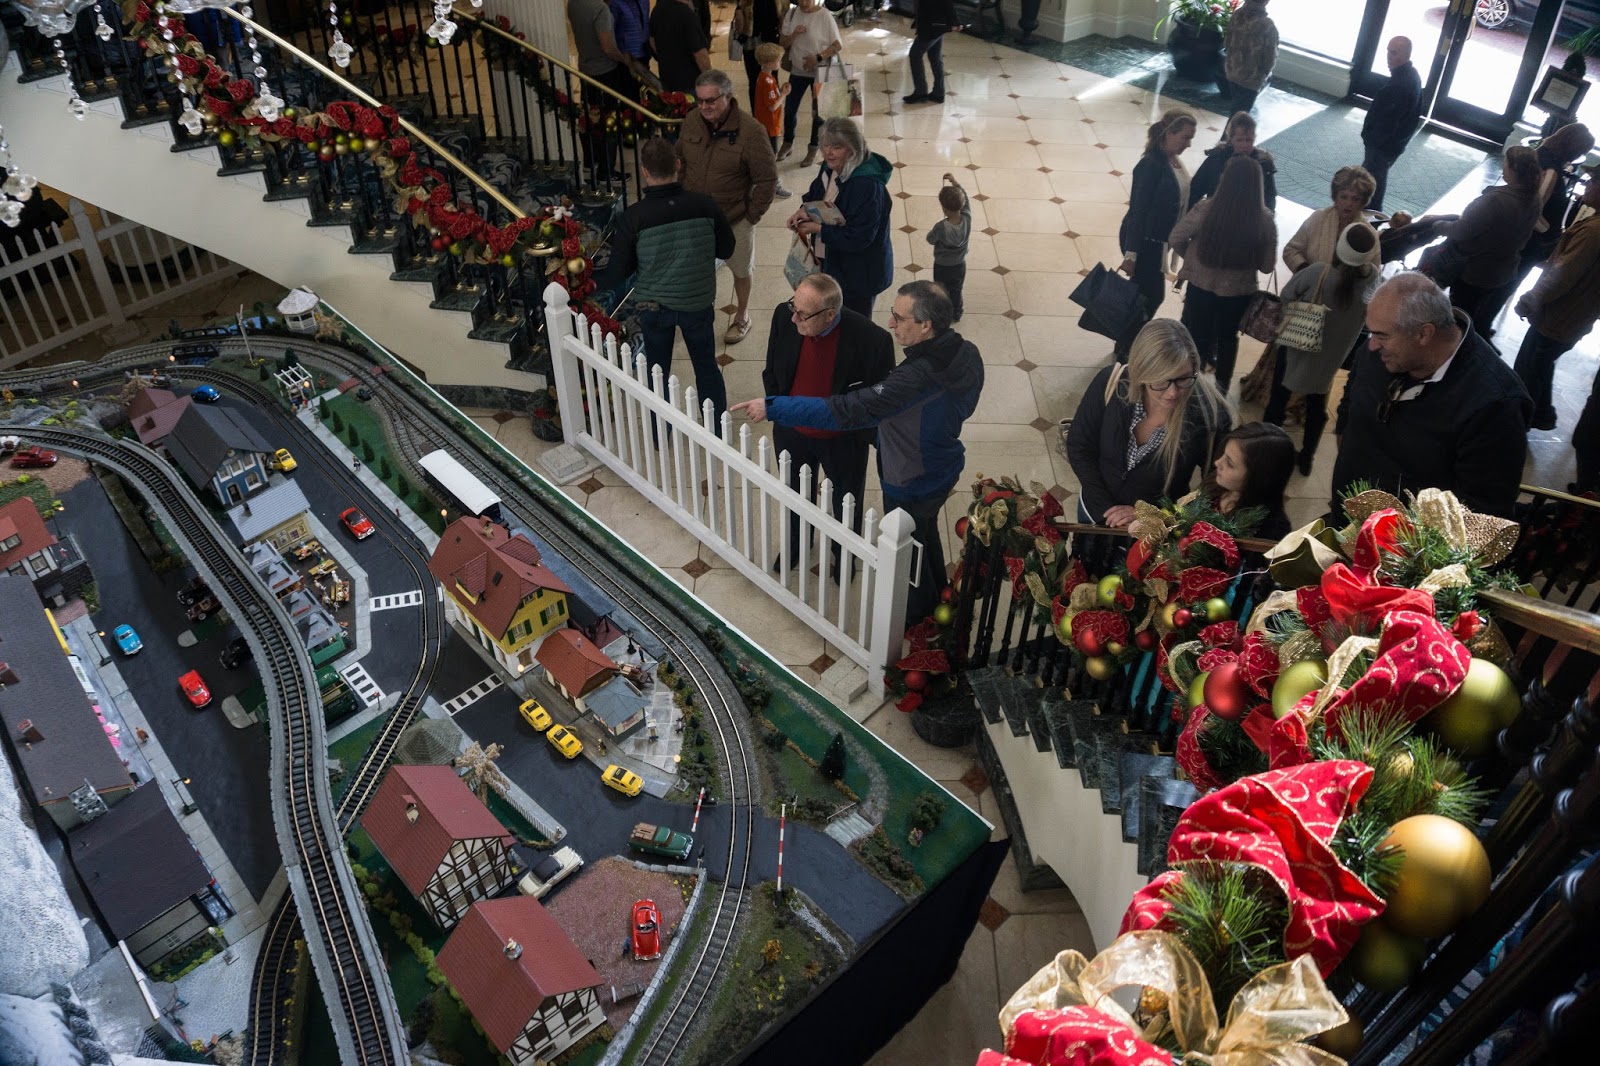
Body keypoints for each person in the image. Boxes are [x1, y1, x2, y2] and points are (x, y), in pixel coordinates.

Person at [732, 281, 983, 622]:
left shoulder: (904, 372)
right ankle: (940, 594)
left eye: (898, 316)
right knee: (924, 537)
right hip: (941, 463)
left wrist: (774, 407)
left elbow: (852, 408)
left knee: (908, 552)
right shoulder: (967, 353)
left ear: (925, 325)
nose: (891, 322)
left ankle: (919, 621)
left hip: (910, 475)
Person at [1330, 272, 1532, 519]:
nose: (1371, 345)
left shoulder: (1496, 405)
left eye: (1382, 336)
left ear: (1424, 334)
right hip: (1345, 513)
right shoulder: (1378, 352)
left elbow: (1481, 515)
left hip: (1402, 549)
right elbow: (1348, 409)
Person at [760, 273, 895, 568]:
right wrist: (780, 409)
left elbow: (878, 402)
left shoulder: (872, 340)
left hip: (842, 441)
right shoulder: (785, 317)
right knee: (794, 496)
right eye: (793, 306)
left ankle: (843, 556)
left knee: (847, 502)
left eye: (803, 314)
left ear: (830, 314)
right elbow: (771, 368)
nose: (794, 318)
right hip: (792, 433)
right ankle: (796, 546)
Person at [598, 136, 736, 423]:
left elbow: (618, 272)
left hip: (653, 306)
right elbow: (727, 249)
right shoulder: (705, 205)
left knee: (657, 370)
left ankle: (660, 432)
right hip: (696, 301)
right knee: (706, 366)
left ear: (644, 171)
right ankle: (717, 430)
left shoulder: (634, 217)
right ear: (677, 165)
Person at [1065, 319, 1234, 529]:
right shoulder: (1111, 383)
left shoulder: (1211, 416)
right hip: (1094, 511)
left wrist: (1154, 516)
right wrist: (1107, 513)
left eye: (1183, 379)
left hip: (1158, 530)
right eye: (1162, 381)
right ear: (1141, 373)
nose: (1173, 393)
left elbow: (1215, 486)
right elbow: (1079, 445)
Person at [1264, 222, 1382, 476]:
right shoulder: (1373, 277)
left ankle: (1264, 447)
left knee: (1279, 396)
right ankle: (1306, 457)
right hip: (1334, 352)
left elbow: (1286, 295)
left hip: (1298, 343)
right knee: (1317, 403)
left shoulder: (1319, 272)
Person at [677, 69, 780, 346]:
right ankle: (697, 315)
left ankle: (742, 315)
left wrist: (751, 215)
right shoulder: (691, 121)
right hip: (697, 218)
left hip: (735, 218)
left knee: (741, 269)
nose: (705, 107)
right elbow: (681, 160)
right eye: (700, 101)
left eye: (711, 101)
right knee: (697, 268)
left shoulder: (752, 132)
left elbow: (768, 179)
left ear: (728, 96)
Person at [1168, 154, 1277, 395]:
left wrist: (1194, 260)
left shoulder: (1206, 209)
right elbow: (1268, 266)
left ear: (1224, 180)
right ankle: (1221, 391)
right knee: (1228, 339)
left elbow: (1176, 237)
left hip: (1200, 285)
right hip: (1238, 293)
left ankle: (1188, 389)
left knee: (1195, 337)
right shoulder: (1264, 219)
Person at [1476, 123, 1596, 336]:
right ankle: (1480, 328)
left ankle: (1479, 325)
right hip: (1530, 242)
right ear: (1572, 148)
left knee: (1499, 282)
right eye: (1581, 151)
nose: (1581, 155)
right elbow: (1532, 209)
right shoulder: (1550, 170)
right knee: (1507, 285)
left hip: (1515, 237)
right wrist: (1551, 232)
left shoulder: (1538, 155)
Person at [1513, 165, 1600, 431]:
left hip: (1558, 317)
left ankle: (1515, 424)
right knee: (1540, 365)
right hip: (1574, 318)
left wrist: (1529, 300)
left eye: (1593, 180)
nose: (1586, 183)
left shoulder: (1594, 232)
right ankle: (1542, 415)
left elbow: (1563, 275)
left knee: (1527, 370)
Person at [1427, 146, 1542, 338]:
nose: (1503, 167)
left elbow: (1461, 230)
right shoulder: (1534, 197)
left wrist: (1437, 225)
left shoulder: (1496, 201)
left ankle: (1452, 348)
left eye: (1505, 163)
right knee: (1473, 311)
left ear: (1513, 169)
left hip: (1475, 271)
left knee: (1459, 314)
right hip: (1502, 271)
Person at [789, 118, 894, 317]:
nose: (828, 152)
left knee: (854, 324)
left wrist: (818, 229)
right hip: (833, 260)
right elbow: (816, 194)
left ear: (853, 149)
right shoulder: (829, 167)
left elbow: (860, 237)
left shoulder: (867, 186)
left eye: (836, 147)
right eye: (825, 145)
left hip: (859, 273)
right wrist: (803, 211)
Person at [1118, 109, 1198, 329]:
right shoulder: (1150, 166)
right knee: (1150, 298)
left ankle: (1126, 345)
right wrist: (1131, 254)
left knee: (1144, 297)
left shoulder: (1174, 161)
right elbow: (1138, 211)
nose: (1189, 144)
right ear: (1169, 133)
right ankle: (1127, 346)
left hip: (1159, 244)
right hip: (1146, 244)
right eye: (1186, 137)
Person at [568, 0, 635, 183]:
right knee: (609, 121)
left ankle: (590, 162)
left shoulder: (574, 3)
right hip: (605, 73)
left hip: (586, 69)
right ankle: (607, 171)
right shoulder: (600, 9)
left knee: (590, 117)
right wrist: (625, 60)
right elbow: (608, 47)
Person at [1200, 422, 1295, 540]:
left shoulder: (1267, 535)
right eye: (1224, 454)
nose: (1217, 463)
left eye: (1230, 464)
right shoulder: (1216, 483)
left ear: (1257, 478)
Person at [1361, 36, 1423, 213]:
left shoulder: (1400, 85)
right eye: (1388, 51)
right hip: (1393, 144)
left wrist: (1370, 138)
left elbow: (1388, 122)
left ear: (1406, 55)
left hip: (1382, 146)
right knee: (1369, 181)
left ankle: (1370, 223)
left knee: (1371, 187)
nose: (1389, 56)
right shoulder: (1412, 76)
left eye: (1394, 53)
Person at [778, 0, 843, 168]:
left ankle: (813, 147)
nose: (804, 2)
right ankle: (788, 143)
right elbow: (782, 43)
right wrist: (794, 35)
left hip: (820, 70)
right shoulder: (792, 14)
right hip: (798, 70)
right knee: (790, 108)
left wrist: (818, 58)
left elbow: (837, 45)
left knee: (818, 113)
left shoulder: (825, 16)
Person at [1283, 165, 1382, 273]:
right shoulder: (1318, 217)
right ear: (1335, 196)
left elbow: (1373, 276)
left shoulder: (1369, 234)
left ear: (1363, 202)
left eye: (1355, 199)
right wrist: (1305, 273)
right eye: (1344, 197)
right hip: (1307, 287)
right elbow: (1291, 251)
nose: (1349, 203)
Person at [1188, 111, 1277, 212]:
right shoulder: (1217, 159)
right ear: (1231, 139)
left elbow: (1269, 201)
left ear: (1254, 138)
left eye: (1249, 140)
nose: (1244, 145)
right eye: (1240, 140)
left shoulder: (1263, 165)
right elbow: (1195, 190)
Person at [926, 173, 970, 322]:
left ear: (944, 209)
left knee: (941, 290)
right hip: (959, 264)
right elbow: (965, 196)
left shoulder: (941, 227)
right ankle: (956, 313)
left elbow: (930, 240)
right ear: (962, 204)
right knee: (956, 290)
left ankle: (941, 314)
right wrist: (954, 181)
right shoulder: (967, 217)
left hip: (942, 265)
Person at [1223, 0, 1278, 117]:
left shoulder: (1237, 15)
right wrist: (1264, 73)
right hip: (1252, 78)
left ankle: (1228, 134)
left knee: (1235, 111)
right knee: (1239, 117)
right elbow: (1270, 58)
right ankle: (1229, 135)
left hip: (1232, 70)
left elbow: (1227, 43)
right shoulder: (1267, 25)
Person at [649, 0, 710, 94]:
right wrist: (711, 81)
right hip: (690, 83)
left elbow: (652, 40)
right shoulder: (687, 15)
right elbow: (700, 55)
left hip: (667, 79)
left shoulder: (657, 9)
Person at [751, 43, 791, 184]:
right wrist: (784, 94)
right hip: (770, 124)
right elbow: (773, 106)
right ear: (769, 63)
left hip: (765, 122)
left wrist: (779, 91)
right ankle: (772, 181)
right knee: (771, 154)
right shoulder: (767, 81)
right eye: (779, 60)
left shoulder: (764, 77)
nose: (780, 63)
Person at [739, 1, 786, 114]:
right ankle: (757, 115)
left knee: (772, 76)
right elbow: (740, 6)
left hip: (771, 36)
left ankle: (773, 112)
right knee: (754, 80)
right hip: (751, 38)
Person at [905, 0, 955, 105]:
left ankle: (921, 91)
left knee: (915, 55)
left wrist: (955, 21)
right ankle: (938, 92)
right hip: (938, 25)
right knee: (935, 56)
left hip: (931, 26)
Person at [608, 0, 653, 80]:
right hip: (627, 58)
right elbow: (611, 32)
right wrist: (623, 53)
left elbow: (646, 23)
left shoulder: (644, 1)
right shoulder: (615, 3)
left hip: (645, 52)